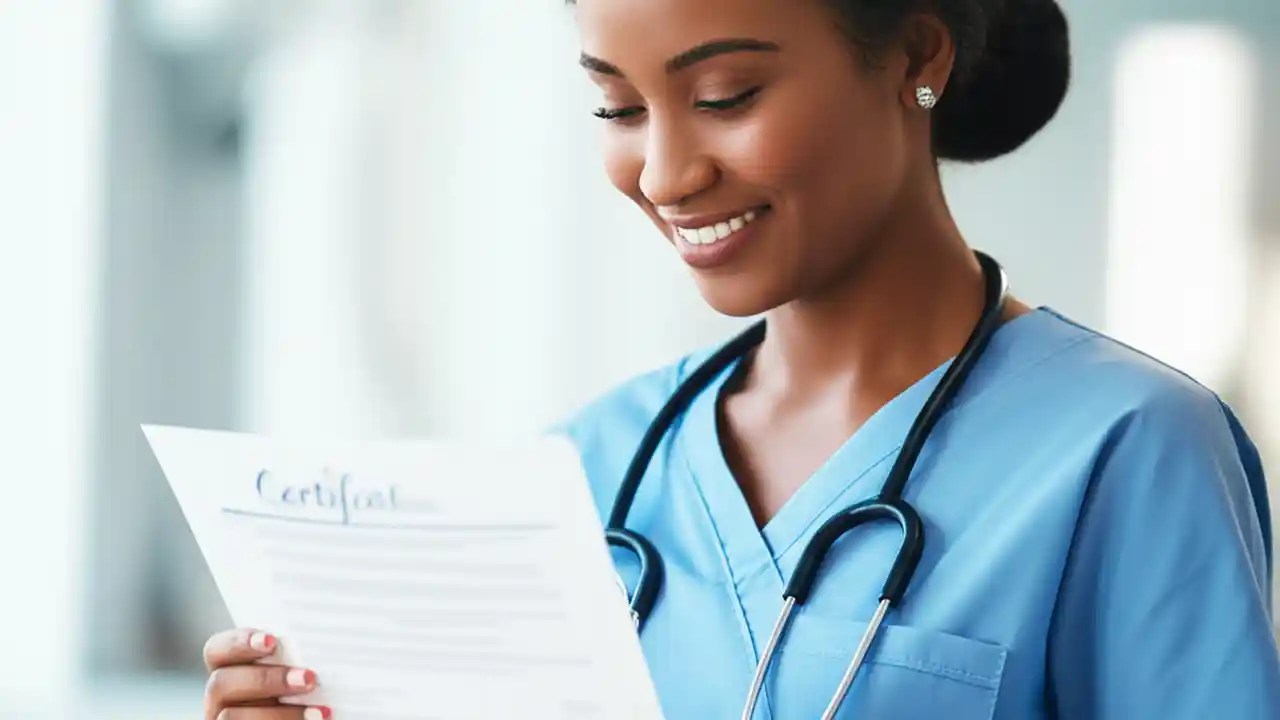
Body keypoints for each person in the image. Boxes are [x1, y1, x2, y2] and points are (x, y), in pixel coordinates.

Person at [202, 0, 1280, 718]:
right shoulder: (584, 466)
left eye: (723, 97)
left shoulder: (1124, 449)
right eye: (618, 108)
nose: (664, 173)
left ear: (914, 56)